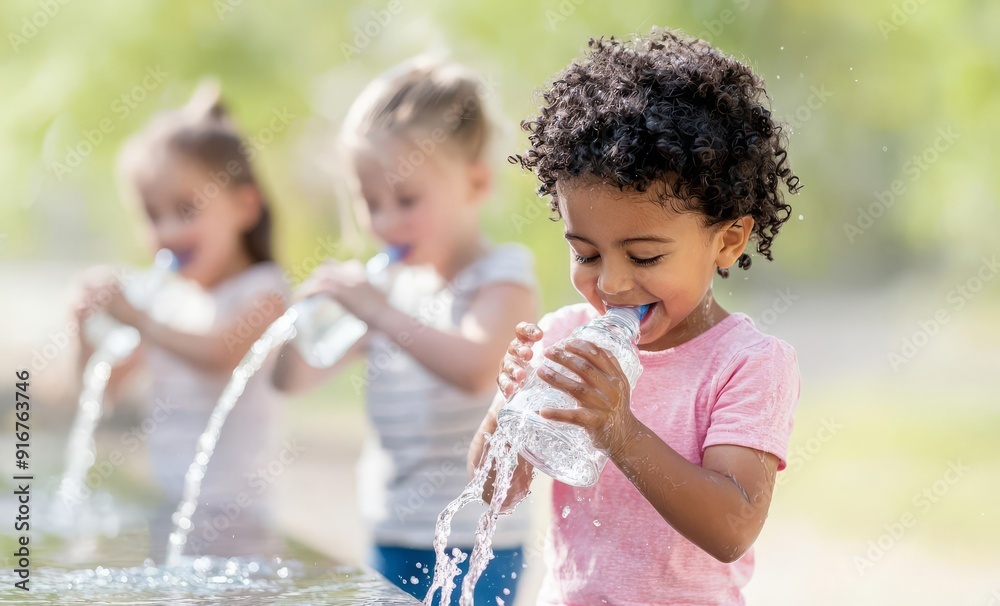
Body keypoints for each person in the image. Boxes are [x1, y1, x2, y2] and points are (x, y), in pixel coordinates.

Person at [471, 28, 802, 605]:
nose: (612, 283)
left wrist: (619, 431)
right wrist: (508, 408)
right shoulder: (564, 337)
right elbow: (496, 493)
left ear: (727, 242)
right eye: (586, 253)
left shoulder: (746, 365)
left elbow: (732, 528)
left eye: (645, 256)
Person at [271, 57, 538, 603]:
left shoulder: (502, 278)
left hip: (475, 545)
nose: (386, 222)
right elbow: (290, 380)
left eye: (407, 200)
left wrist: (378, 313)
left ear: (475, 183)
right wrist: (301, 317)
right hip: (390, 533)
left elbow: (473, 369)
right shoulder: (391, 290)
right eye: (371, 203)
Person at [73, 83, 288, 561]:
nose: (167, 231)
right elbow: (103, 390)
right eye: (152, 215)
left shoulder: (265, 292)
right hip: (170, 503)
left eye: (185, 210)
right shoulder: (169, 300)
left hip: (236, 519)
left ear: (244, 207)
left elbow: (218, 355)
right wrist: (82, 330)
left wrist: (137, 316)